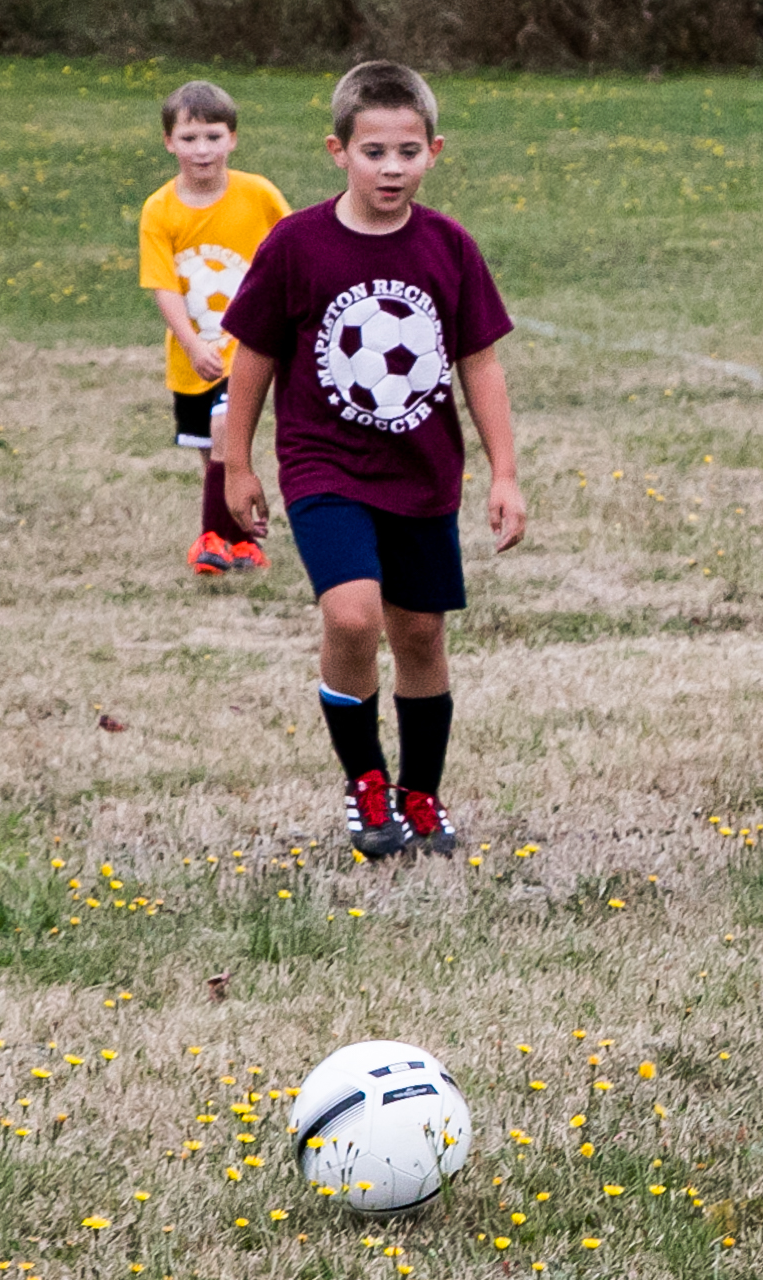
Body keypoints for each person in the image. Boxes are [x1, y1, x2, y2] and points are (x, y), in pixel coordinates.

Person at [218, 61, 526, 858]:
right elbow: (251, 353)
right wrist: (236, 463)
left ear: (434, 151)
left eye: (408, 151)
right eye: (374, 152)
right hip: (326, 467)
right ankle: (366, 785)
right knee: (351, 615)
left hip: (424, 475)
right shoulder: (297, 245)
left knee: (421, 634)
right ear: (338, 151)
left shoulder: (450, 247)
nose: (392, 168)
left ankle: (420, 796)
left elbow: (480, 364)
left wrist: (506, 473)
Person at [137, 80, 291, 576]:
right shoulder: (160, 209)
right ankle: (241, 541)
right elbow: (164, 287)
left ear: (233, 139)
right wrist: (191, 343)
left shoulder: (259, 194)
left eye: (213, 137)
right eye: (189, 139)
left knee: (228, 430)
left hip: (249, 348)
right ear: (168, 142)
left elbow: (292, 251)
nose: (202, 150)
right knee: (214, 457)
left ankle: (210, 540)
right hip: (193, 356)